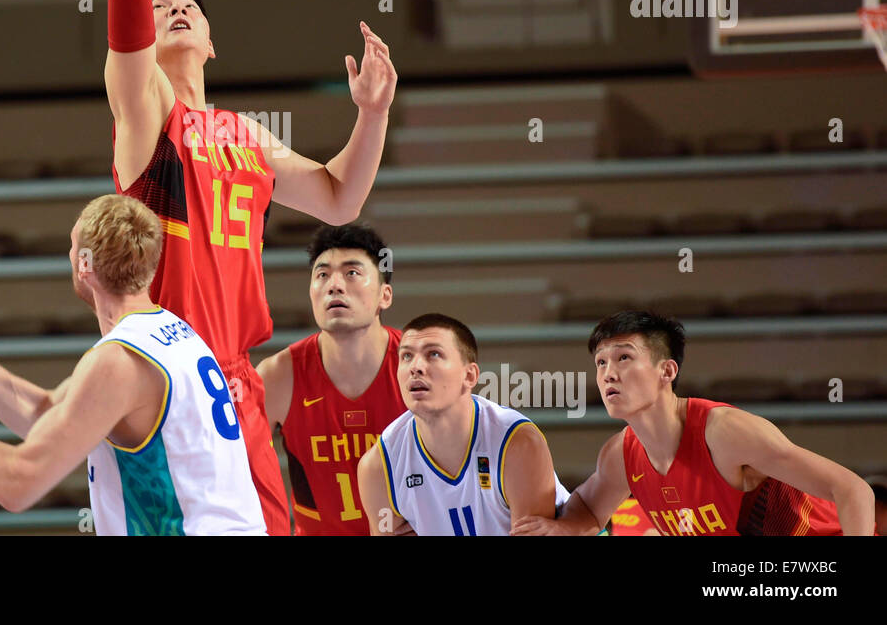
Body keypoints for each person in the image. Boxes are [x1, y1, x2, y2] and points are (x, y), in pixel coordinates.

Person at [28, 0, 398, 536]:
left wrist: (371, 114)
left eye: (186, 5)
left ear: (212, 41)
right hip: (164, 370)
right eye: (161, 8)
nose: (172, 9)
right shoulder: (146, 113)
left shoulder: (246, 136)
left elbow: (339, 197)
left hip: (233, 379)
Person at [0, 194, 266, 535]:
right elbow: (44, 413)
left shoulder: (119, 361)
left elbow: (17, 484)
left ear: (84, 265)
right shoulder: (171, 331)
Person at [511, 311, 877, 536]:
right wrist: (557, 528)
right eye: (601, 363)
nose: (609, 373)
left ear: (666, 371)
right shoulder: (620, 455)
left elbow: (853, 490)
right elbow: (588, 510)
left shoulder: (725, 432)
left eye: (624, 357)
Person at [356, 314, 570, 536]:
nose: (416, 367)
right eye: (406, 356)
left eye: (434, 354)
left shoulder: (517, 443)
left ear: (469, 376)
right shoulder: (379, 467)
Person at [257, 224, 406, 535]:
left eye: (352, 273)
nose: (334, 285)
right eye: (322, 275)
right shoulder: (278, 375)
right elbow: (234, 469)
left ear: (385, 295)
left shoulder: (416, 366)